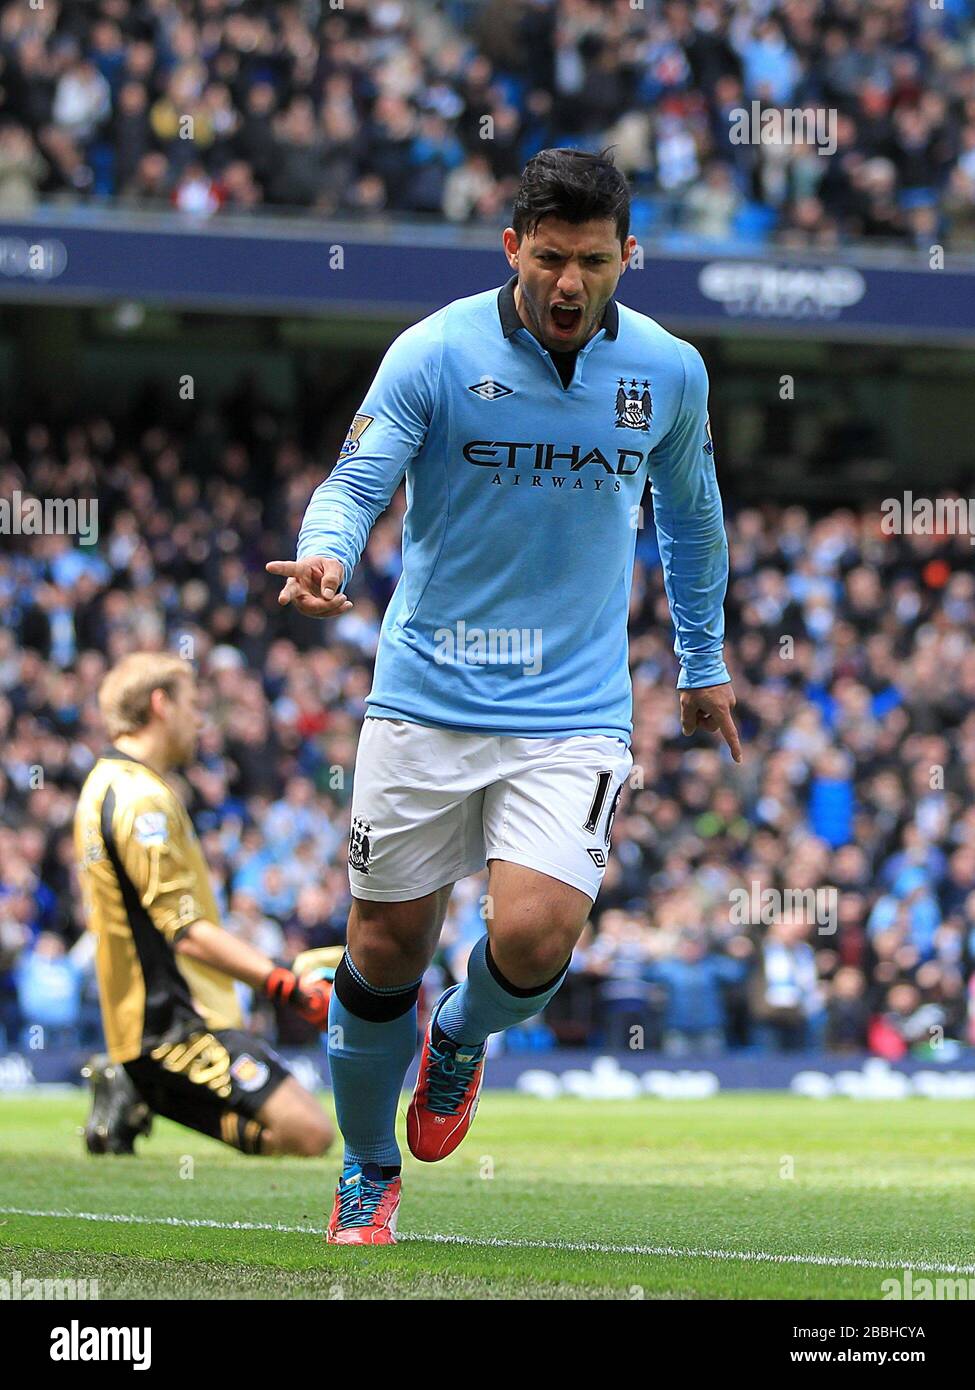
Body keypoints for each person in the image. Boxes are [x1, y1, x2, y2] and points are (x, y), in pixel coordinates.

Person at [268, 147, 739, 1244]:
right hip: (426, 696)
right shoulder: (433, 351)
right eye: (549, 259)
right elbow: (359, 478)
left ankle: (463, 1034)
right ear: (511, 246)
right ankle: (367, 1168)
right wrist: (326, 553)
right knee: (382, 950)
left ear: (629, 255)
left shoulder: (668, 372)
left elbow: (694, 518)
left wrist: (704, 658)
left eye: (592, 261)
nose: (569, 285)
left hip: (571, 710)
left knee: (535, 938)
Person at [73, 652, 337, 1158]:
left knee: (304, 1131)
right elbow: (185, 930)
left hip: (145, 1018)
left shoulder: (102, 785)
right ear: (160, 704)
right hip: (172, 1022)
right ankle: (136, 1083)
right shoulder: (141, 800)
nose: (199, 720)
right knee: (308, 1133)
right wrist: (284, 985)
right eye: (193, 705)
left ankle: (137, 1086)